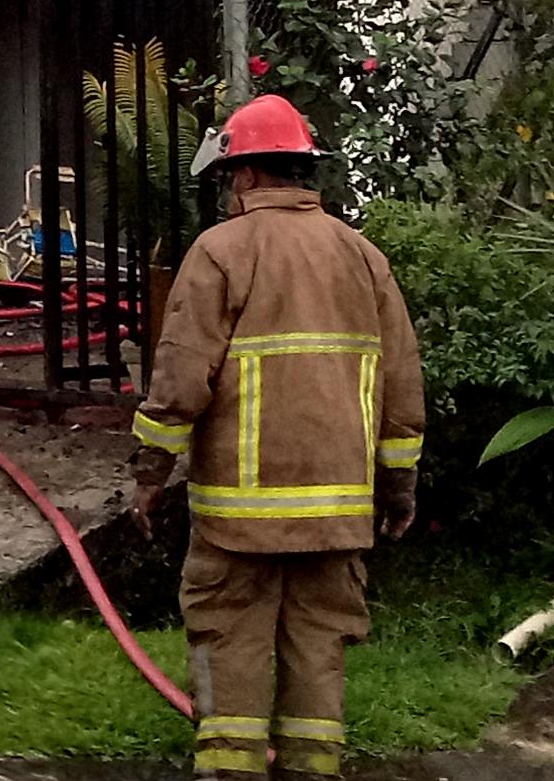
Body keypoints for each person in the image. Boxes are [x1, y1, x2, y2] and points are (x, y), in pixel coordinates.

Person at [129, 94, 425, 781]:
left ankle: (229, 769)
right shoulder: (363, 257)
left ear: (248, 174)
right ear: (301, 171)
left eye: (231, 177)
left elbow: (179, 377)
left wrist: (150, 474)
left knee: (226, 633)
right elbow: (402, 384)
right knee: (320, 645)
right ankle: (312, 770)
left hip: (240, 515)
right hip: (338, 513)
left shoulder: (220, 252)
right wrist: (399, 485)